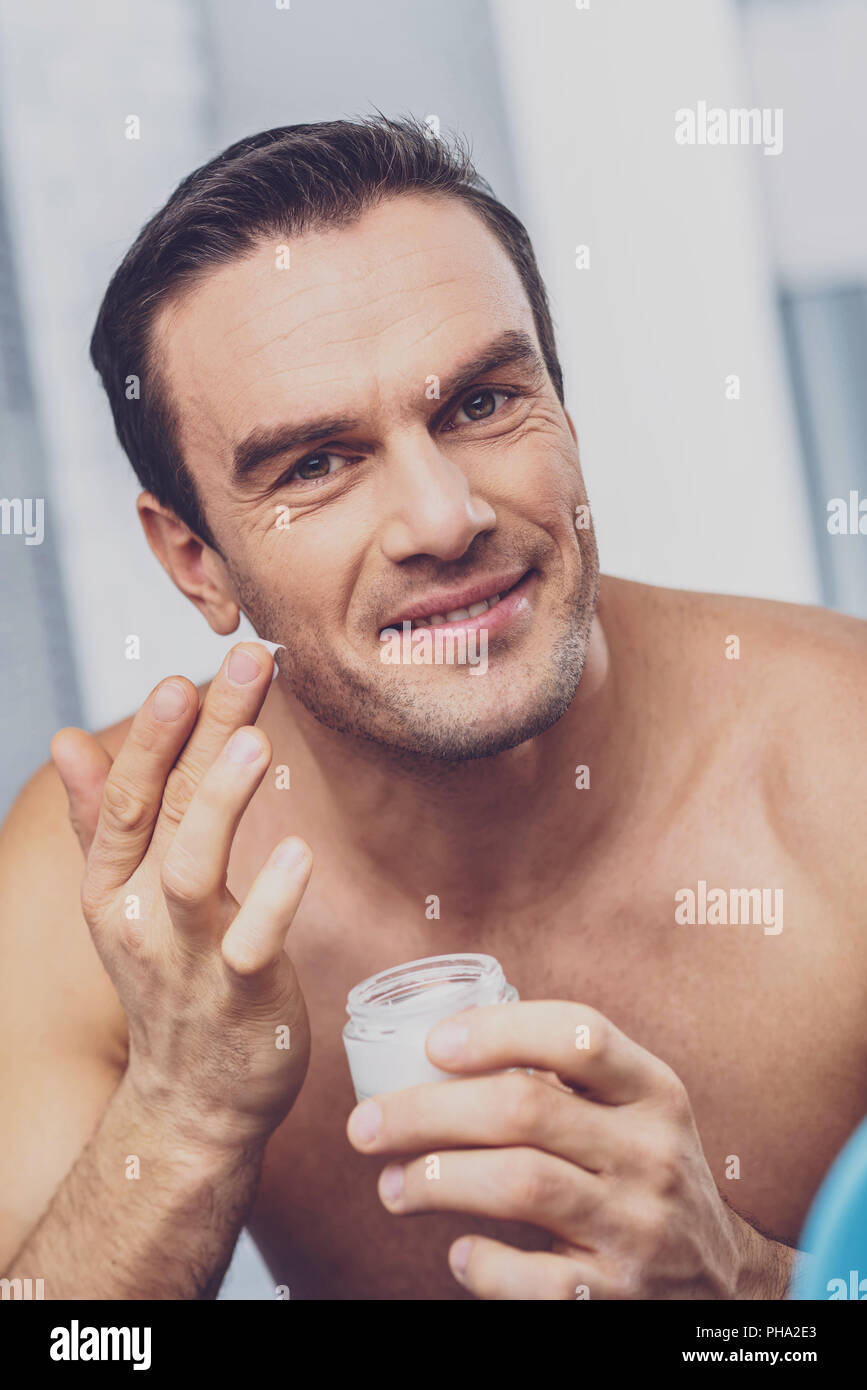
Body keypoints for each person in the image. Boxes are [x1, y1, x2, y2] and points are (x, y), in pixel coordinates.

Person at [1, 118, 864, 1301]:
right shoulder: (119, 876)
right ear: (196, 559)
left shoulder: (845, 760)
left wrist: (762, 1298)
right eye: (315, 464)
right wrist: (185, 1113)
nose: (443, 516)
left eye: (479, 403)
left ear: (562, 407)